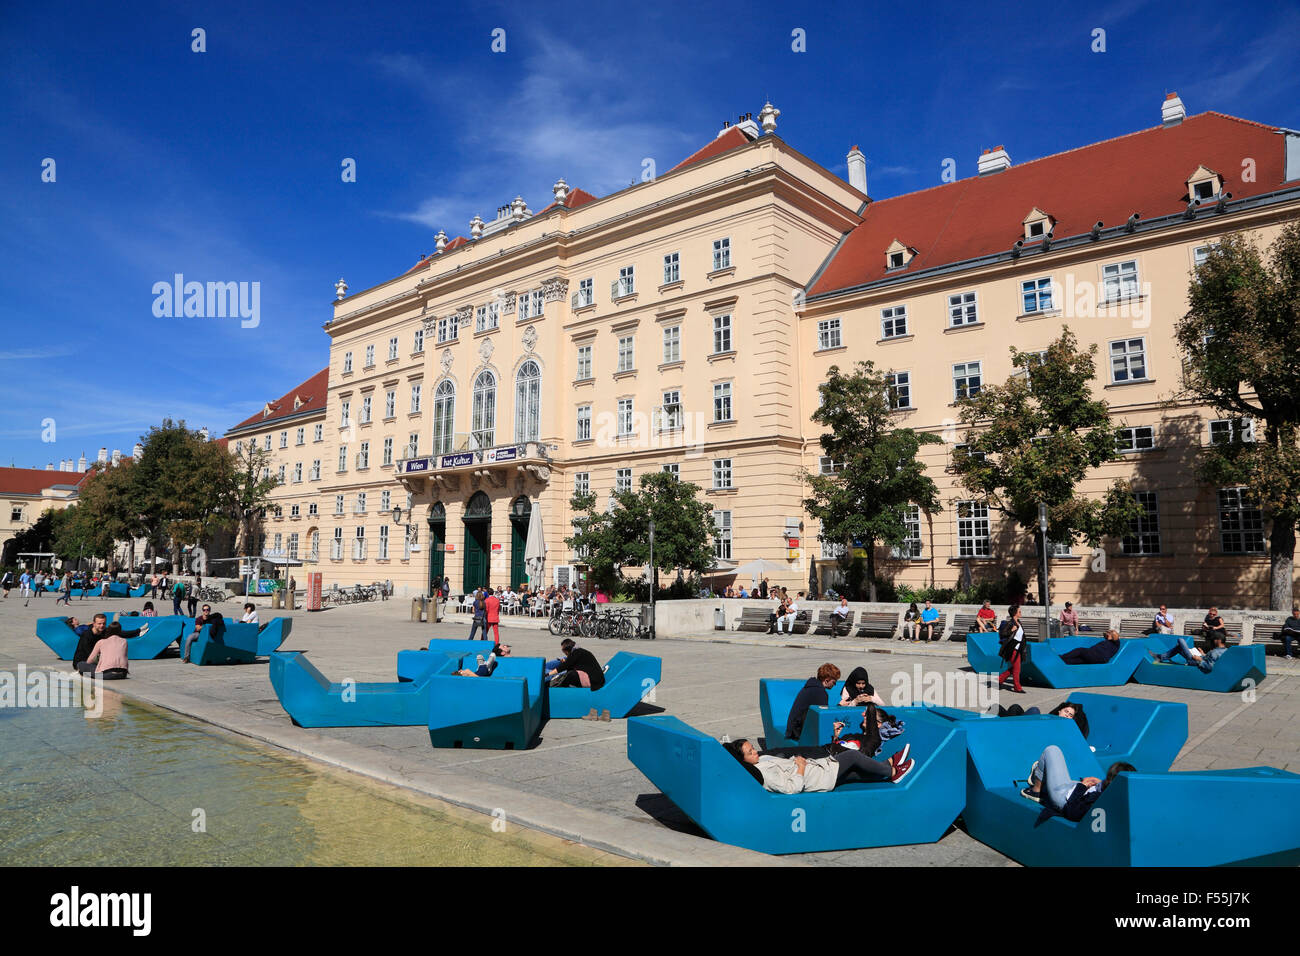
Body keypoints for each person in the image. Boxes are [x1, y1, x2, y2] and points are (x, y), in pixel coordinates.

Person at [723, 737, 915, 791]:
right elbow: (791, 788)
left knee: (852, 775)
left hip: (817, 770)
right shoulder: (764, 775)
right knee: (852, 757)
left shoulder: (760, 760)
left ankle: (885, 765)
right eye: (750, 752)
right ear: (743, 761)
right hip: (817, 777)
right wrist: (800, 767)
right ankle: (891, 772)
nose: (755, 751)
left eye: (753, 748)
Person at [1021, 745, 1135, 819]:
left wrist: (1082, 786)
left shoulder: (1096, 800)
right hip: (1074, 789)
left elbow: (1072, 811)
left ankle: (1036, 791)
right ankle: (1043, 774)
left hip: (1065, 797)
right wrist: (1101, 783)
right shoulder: (1120, 794)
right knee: (1051, 765)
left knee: (1051, 751)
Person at [785, 663, 840, 741]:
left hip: (792, 729)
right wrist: (840, 706)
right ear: (827, 680)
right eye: (834, 682)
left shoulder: (811, 686)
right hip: (798, 733)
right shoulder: (820, 692)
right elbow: (824, 717)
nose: (835, 685)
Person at [998, 701, 1090, 739]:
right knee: (1016, 708)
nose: (1067, 715)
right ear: (1059, 711)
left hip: (1030, 733)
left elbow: (1082, 729)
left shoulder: (1066, 728)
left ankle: (1005, 725)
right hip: (1027, 726)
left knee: (1033, 710)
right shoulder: (1051, 717)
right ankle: (1007, 724)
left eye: (1070, 715)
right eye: (1066, 711)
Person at [1150, 632, 1228, 673]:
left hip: (1194, 661)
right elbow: (1212, 660)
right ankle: (1160, 657)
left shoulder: (1215, 652)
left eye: (1214, 639)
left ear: (1219, 640)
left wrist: (1199, 659)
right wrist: (1203, 654)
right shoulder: (1226, 650)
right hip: (1198, 658)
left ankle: (1160, 657)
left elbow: (1210, 667)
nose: (1213, 641)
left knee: (1180, 640)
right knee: (1179, 648)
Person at [998, 605, 1027, 693]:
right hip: (1012, 648)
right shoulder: (1011, 623)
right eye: (1019, 611)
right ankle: (1017, 687)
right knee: (1017, 668)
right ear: (1015, 613)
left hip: (1019, 648)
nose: (1020, 613)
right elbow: (1003, 633)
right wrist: (1011, 630)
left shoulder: (1019, 622)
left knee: (1015, 667)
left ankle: (1000, 679)